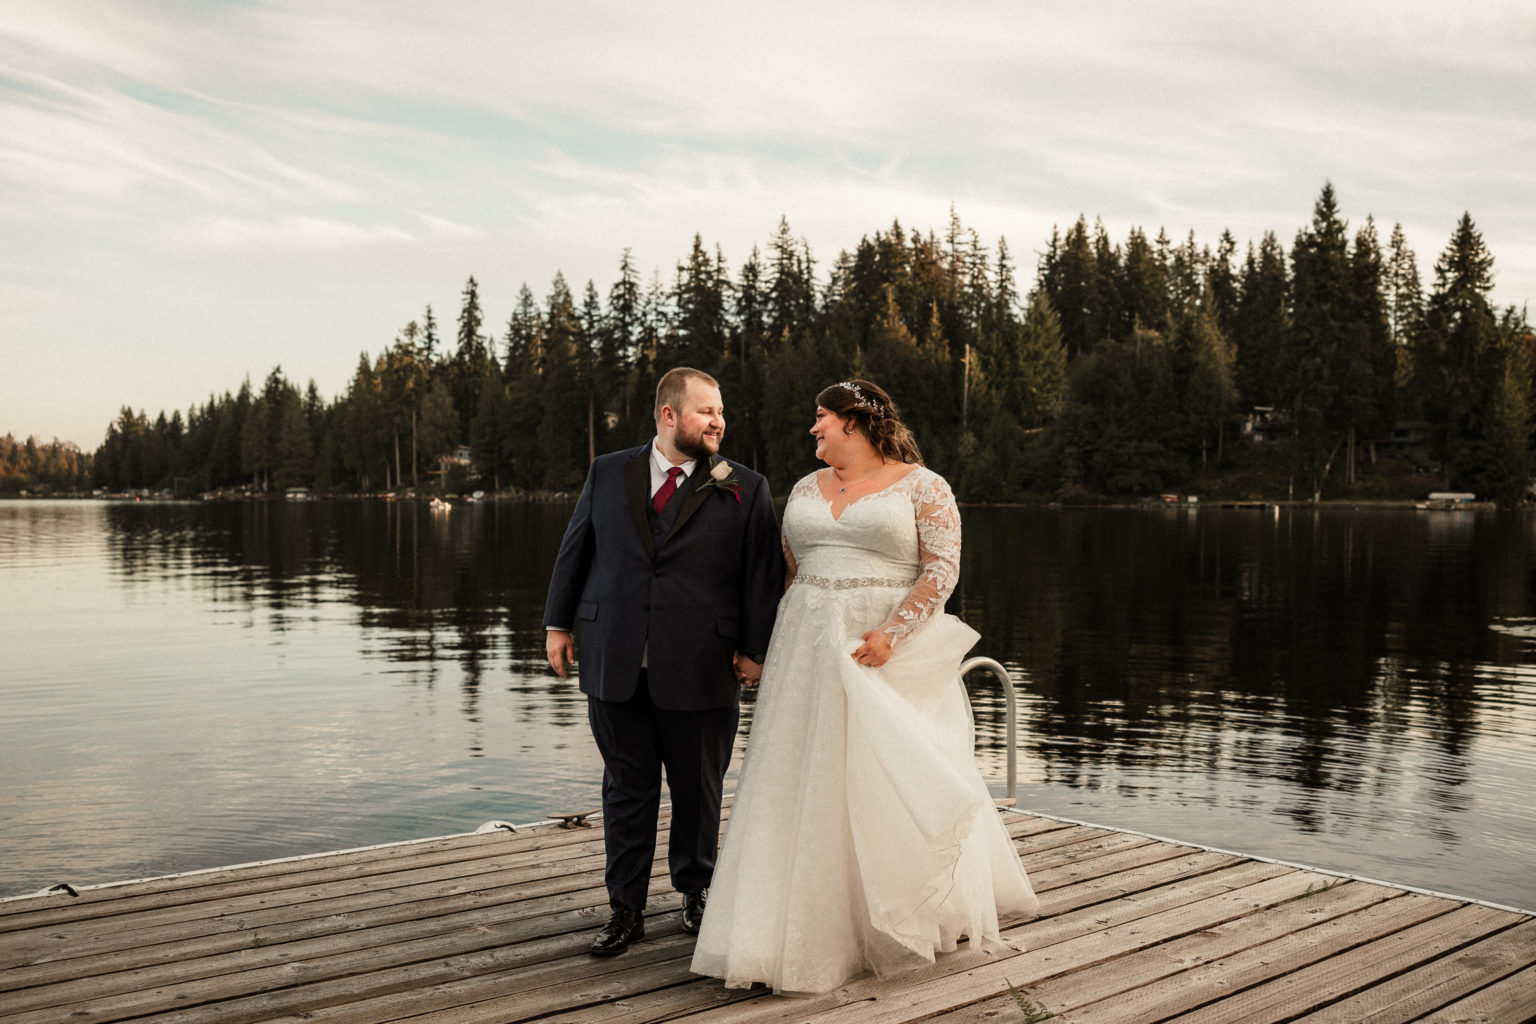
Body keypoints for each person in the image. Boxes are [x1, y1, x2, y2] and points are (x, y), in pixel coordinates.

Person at [691, 379, 1039, 994]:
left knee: (879, 776)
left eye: (820, 417)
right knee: (798, 778)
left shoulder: (923, 485)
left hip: (878, 648)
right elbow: (790, 570)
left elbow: (942, 568)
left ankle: (900, 911)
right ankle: (783, 923)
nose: (813, 428)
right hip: (805, 646)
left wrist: (892, 633)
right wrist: (766, 647)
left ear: (853, 422)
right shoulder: (804, 488)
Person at [543, 367, 784, 956]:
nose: (718, 422)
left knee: (698, 790)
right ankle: (624, 910)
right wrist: (557, 623)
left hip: (704, 664)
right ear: (669, 415)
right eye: (707, 411)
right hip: (614, 658)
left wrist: (755, 652)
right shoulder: (608, 472)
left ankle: (697, 894)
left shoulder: (744, 487)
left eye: (721, 412)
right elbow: (577, 548)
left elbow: (761, 577)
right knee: (626, 790)